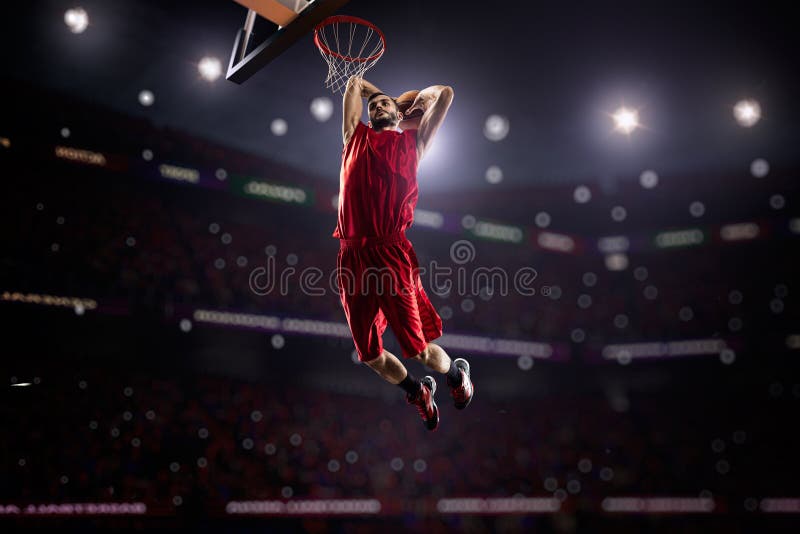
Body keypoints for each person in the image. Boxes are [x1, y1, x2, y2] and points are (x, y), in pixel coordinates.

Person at [334, 76, 474, 431]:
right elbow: (352, 84)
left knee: (418, 351)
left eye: (384, 105)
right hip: (351, 255)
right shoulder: (354, 137)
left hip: (390, 252)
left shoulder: (414, 143)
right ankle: (416, 392)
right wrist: (376, 91)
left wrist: (403, 100)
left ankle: (457, 375)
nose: (377, 106)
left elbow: (445, 93)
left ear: (399, 114)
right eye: (373, 106)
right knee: (368, 354)